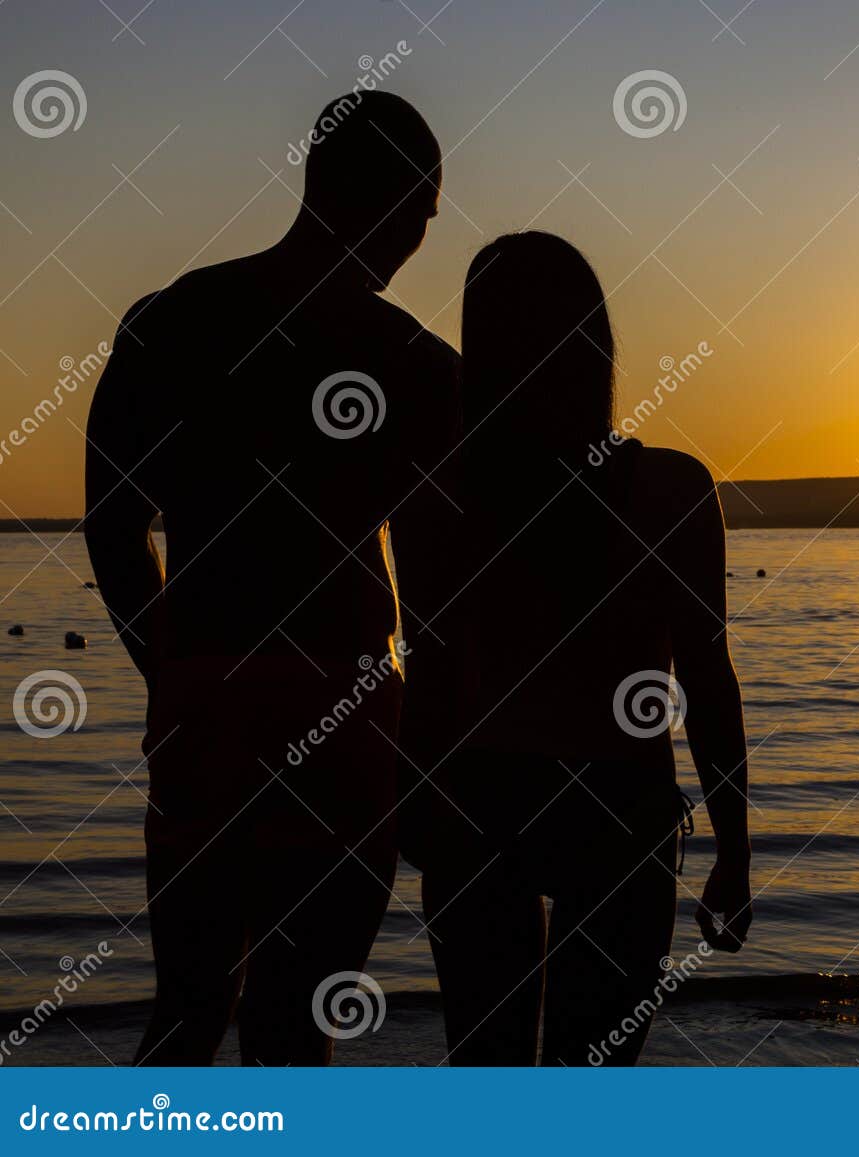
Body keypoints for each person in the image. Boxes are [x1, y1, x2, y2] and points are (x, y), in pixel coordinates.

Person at [83, 92, 459, 1065]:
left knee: (190, 1004)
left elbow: (115, 525)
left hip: (211, 690)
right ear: (394, 199)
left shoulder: (169, 322)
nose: (418, 240)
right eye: (420, 217)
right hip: (343, 695)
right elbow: (448, 568)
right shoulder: (410, 360)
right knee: (295, 1021)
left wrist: (171, 666)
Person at [400, 232, 752, 1066]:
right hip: (618, 804)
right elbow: (708, 678)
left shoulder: (434, 496)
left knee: (487, 1075)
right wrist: (734, 852)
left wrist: (413, 811)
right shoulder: (669, 491)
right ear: (597, 345)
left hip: (482, 799)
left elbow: (431, 674)